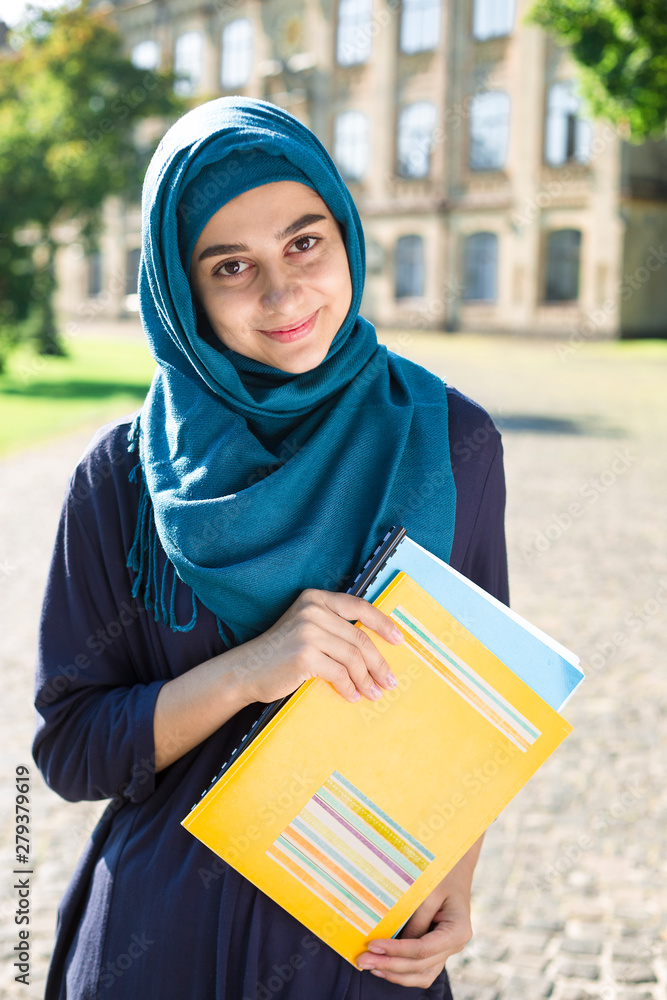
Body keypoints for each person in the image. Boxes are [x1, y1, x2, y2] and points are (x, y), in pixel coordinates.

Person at [33, 96, 509, 999]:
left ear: (345, 233)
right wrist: (250, 670)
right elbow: (73, 750)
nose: (283, 294)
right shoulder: (121, 476)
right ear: (183, 292)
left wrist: (453, 875)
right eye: (230, 265)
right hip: (160, 941)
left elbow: (480, 699)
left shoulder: (450, 442)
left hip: (359, 948)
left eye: (304, 243)